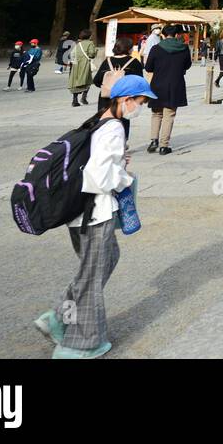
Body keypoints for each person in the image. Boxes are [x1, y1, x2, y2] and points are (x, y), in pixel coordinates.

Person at [35, 74, 153, 359]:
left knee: (106, 260)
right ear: (126, 100)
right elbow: (99, 177)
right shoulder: (114, 129)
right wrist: (124, 176)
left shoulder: (98, 120)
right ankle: (80, 343)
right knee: (91, 275)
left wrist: (118, 162)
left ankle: (59, 318)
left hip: (80, 213)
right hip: (95, 213)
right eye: (141, 101)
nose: (142, 107)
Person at [144, 24, 191, 155]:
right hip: (175, 84)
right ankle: (164, 146)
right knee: (169, 115)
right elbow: (187, 65)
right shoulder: (184, 48)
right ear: (177, 35)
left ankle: (154, 140)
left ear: (163, 35)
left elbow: (148, 68)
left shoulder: (156, 48)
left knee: (156, 113)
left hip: (158, 84)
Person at [92, 37, 145, 113]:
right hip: (124, 99)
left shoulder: (107, 61)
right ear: (129, 49)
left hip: (106, 99)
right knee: (122, 123)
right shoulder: (134, 62)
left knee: (106, 122)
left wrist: (108, 85)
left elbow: (96, 80)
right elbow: (139, 82)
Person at [68, 30, 98, 107]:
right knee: (87, 81)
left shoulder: (78, 44)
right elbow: (91, 54)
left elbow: (72, 54)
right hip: (85, 65)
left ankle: (74, 100)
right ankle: (83, 98)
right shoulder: (90, 43)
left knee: (75, 81)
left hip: (76, 65)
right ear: (89, 36)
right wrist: (96, 51)